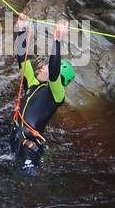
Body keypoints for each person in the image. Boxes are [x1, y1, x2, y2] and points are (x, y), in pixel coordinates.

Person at [9, 13, 75, 173]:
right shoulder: (32, 84)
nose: (41, 66)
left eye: (44, 66)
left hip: (30, 149)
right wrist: (22, 29)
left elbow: (53, 71)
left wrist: (57, 40)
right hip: (17, 141)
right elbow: (22, 58)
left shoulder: (56, 94)